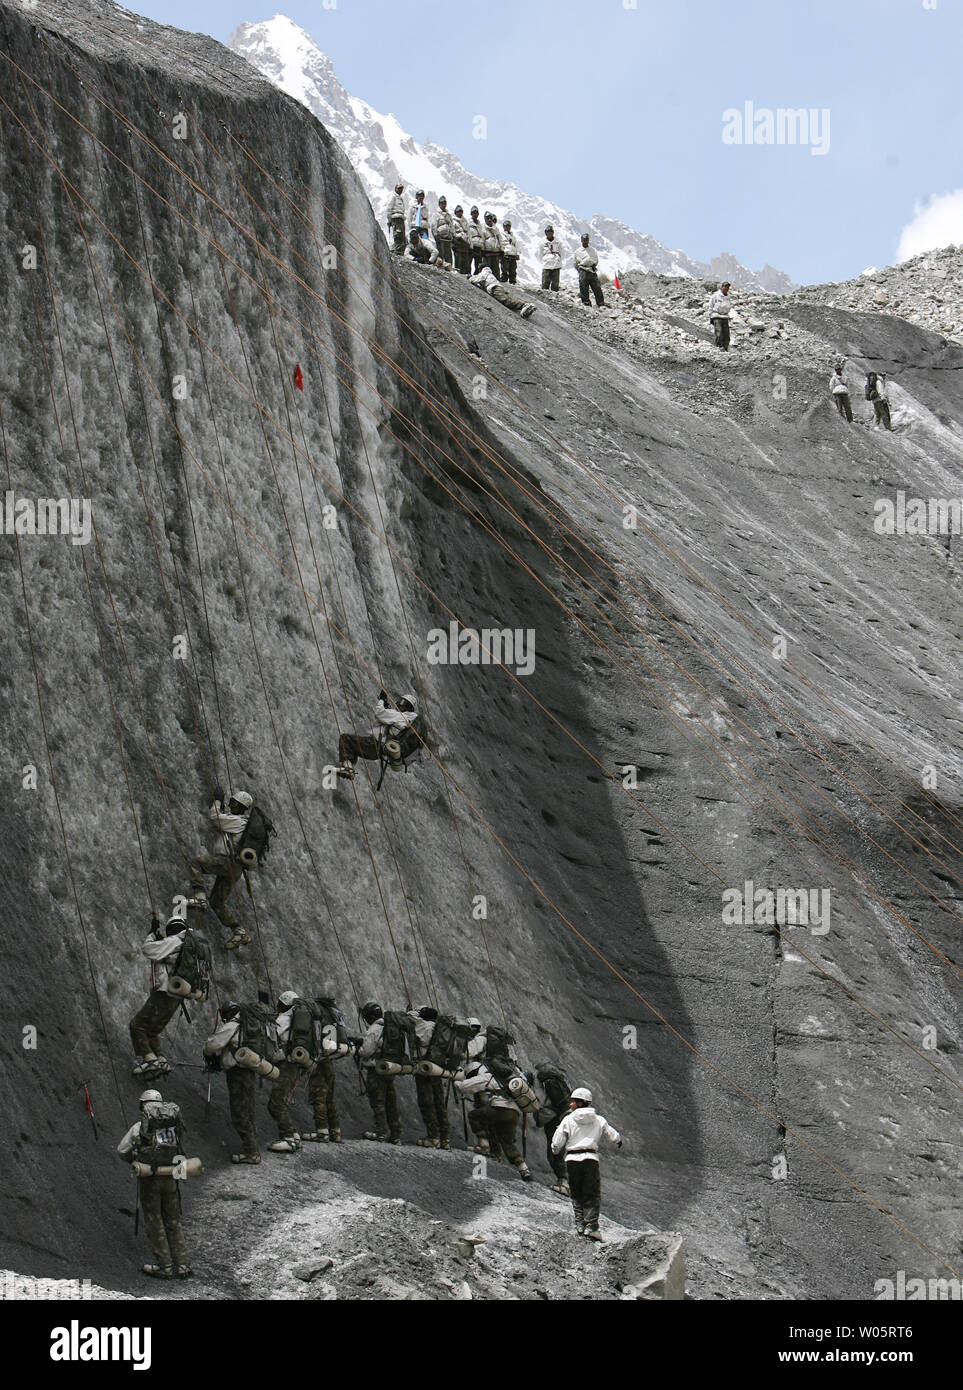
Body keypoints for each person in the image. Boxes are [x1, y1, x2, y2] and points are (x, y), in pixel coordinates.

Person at [117, 1089, 191, 1279]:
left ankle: (164, 1266)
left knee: (154, 1220)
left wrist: (135, 1158)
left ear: (143, 1105)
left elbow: (122, 1150)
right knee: (173, 1220)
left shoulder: (140, 1126)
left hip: (150, 1177)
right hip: (172, 1176)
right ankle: (182, 1265)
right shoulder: (174, 1125)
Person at [129, 912, 196, 1079]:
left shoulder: (177, 940)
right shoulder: (191, 945)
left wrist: (151, 934)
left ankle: (150, 1060)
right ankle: (161, 1060)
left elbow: (149, 950)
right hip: (177, 995)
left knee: (137, 1025)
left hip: (165, 992)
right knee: (152, 1029)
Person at [551, 1087, 621, 1240]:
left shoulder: (568, 1119)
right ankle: (592, 1227)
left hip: (572, 1160)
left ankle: (580, 1224)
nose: (571, 1104)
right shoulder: (598, 1119)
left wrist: (555, 1150)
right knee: (592, 1193)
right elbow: (613, 1135)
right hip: (590, 1159)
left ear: (581, 1103)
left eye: (574, 1101)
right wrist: (618, 1140)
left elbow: (557, 1143)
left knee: (576, 1192)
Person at [187, 787, 252, 949]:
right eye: (231, 803)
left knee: (196, 862)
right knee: (217, 901)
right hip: (235, 868)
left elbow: (215, 818)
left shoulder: (240, 822)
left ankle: (199, 897)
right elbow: (223, 819)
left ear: (241, 808)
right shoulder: (241, 823)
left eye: (234, 804)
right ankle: (239, 931)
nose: (231, 806)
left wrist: (217, 801)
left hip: (226, 862)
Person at [203, 1000, 263, 1164]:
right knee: (249, 1108)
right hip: (250, 1069)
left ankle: (251, 1151)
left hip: (236, 1071)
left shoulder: (233, 1025)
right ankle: (252, 1144)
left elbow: (213, 1045)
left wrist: (208, 1054)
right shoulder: (250, 1024)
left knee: (239, 1110)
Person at [455, 1056, 532, 1180]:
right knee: (507, 1141)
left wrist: (455, 1080)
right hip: (515, 1113)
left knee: (474, 1116)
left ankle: (483, 1145)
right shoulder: (508, 1078)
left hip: (500, 1109)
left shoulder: (486, 1076)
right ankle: (523, 1168)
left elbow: (463, 1087)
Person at [337, 689, 420, 781]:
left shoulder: (401, 716)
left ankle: (348, 769)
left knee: (346, 739)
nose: (400, 704)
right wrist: (387, 708)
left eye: (404, 703)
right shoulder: (407, 720)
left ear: (409, 708)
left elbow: (379, 713)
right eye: (400, 701)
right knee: (353, 747)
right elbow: (387, 721)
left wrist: (382, 700)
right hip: (378, 751)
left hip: (374, 744)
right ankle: (348, 767)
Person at [303, 983, 346, 1143]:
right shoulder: (333, 1013)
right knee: (330, 1097)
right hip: (330, 1058)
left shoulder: (316, 1013)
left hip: (319, 1059)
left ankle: (322, 1131)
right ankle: (336, 1131)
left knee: (318, 1096)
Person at [358, 1001, 403, 1143]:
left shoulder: (374, 1029)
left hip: (375, 1070)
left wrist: (359, 1049)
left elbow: (366, 1052)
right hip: (389, 1069)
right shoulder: (391, 1027)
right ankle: (396, 1134)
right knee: (391, 1103)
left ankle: (381, 1132)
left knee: (378, 1102)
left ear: (371, 1017)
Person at [407, 1005, 450, 1148]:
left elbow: (410, 1016)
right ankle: (445, 1139)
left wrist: (413, 1010)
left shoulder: (422, 1026)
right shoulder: (440, 1029)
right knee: (439, 1103)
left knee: (426, 1103)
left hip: (424, 1067)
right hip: (438, 1068)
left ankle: (433, 1137)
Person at [267, 991, 303, 1154]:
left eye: (279, 1003)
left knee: (276, 1103)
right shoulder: (297, 1019)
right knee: (281, 1100)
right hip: (295, 1064)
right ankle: (294, 1135)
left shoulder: (283, 1019)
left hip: (286, 1065)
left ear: (283, 1004)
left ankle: (288, 1137)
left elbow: (269, 1036)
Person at [533, 1060, 573, 1194]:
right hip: (567, 1116)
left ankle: (564, 1183)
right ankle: (568, 1183)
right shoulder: (559, 1079)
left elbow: (540, 1100)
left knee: (554, 1152)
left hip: (555, 1119)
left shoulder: (542, 1081)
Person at [469, 265, 536, 318]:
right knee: (509, 299)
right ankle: (526, 306)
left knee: (506, 301)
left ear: (481, 269)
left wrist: (470, 278)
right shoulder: (489, 274)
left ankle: (524, 305)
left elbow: (480, 278)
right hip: (499, 287)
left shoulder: (484, 272)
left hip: (494, 288)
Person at [575, 233, 605, 307]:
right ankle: (586, 303)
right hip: (583, 270)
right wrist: (580, 270)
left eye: (586, 240)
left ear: (588, 240)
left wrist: (593, 265)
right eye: (584, 240)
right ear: (581, 240)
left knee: (597, 287)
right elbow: (576, 262)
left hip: (591, 270)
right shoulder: (578, 251)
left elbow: (596, 260)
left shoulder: (593, 250)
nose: (585, 241)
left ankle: (600, 303)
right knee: (583, 287)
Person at [708, 281, 732, 350]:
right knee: (719, 332)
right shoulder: (716, 296)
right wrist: (711, 316)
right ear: (722, 287)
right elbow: (711, 305)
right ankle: (719, 347)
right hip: (716, 316)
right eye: (725, 286)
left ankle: (726, 347)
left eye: (728, 287)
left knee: (726, 334)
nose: (726, 288)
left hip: (725, 316)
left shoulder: (728, 297)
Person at [432, 195, 454, 267]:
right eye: (442, 203)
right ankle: (439, 267)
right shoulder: (436, 214)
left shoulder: (448, 215)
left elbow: (451, 225)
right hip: (440, 237)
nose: (443, 205)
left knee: (448, 255)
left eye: (444, 203)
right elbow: (434, 225)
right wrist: (435, 235)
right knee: (440, 254)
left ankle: (450, 268)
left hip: (447, 238)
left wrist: (452, 234)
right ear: (439, 204)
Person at [386, 182, 407, 255]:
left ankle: (399, 253)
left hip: (401, 219)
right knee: (398, 236)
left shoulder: (400, 198)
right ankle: (397, 253)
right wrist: (389, 220)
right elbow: (389, 209)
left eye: (401, 189)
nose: (400, 190)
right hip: (396, 219)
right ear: (395, 189)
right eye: (399, 188)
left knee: (402, 237)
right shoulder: (393, 197)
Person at [451, 204, 472, 275]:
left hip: (465, 244)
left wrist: (471, 245)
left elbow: (469, 234)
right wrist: (453, 243)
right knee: (458, 262)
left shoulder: (465, 221)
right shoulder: (453, 221)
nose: (459, 213)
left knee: (466, 263)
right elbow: (452, 232)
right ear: (455, 213)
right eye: (458, 211)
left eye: (461, 211)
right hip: (458, 242)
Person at [541, 226, 562, 291]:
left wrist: (558, 259)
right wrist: (544, 259)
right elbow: (540, 253)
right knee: (545, 284)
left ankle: (555, 298)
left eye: (550, 232)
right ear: (545, 233)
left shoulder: (558, 242)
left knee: (555, 284)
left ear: (553, 232)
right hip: (546, 264)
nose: (549, 233)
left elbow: (561, 252)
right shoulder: (542, 242)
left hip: (556, 264)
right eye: (548, 232)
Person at [467, 206, 486, 274]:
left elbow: (482, 236)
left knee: (478, 264)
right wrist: (469, 245)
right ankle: (468, 275)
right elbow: (468, 234)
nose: (475, 214)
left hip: (479, 246)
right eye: (474, 213)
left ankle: (476, 276)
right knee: (468, 262)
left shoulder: (480, 225)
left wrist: (483, 247)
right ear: (471, 214)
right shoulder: (468, 223)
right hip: (472, 246)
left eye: (476, 213)